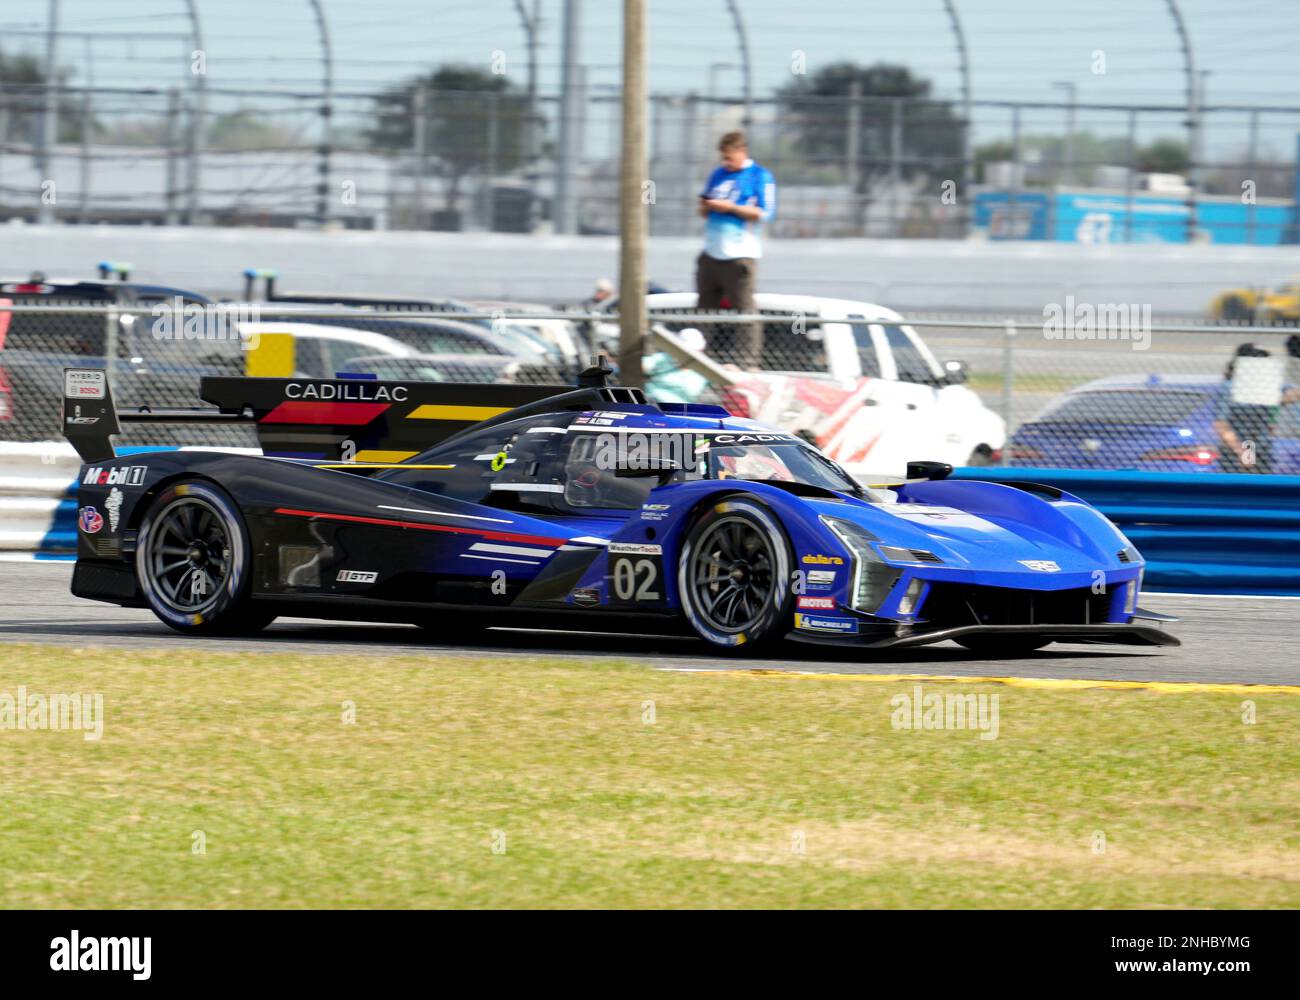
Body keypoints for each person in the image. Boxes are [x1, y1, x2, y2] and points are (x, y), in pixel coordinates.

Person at [696, 130, 775, 370]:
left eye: (730, 158)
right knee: (704, 310)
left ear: (742, 152)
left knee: (744, 310)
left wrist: (730, 207)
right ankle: (701, 358)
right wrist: (708, 206)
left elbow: (765, 213)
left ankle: (746, 361)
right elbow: (703, 207)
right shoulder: (718, 175)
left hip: (740, 254)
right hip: (711, 251)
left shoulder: (759, 176)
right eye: (723, 158)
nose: (725, 163)